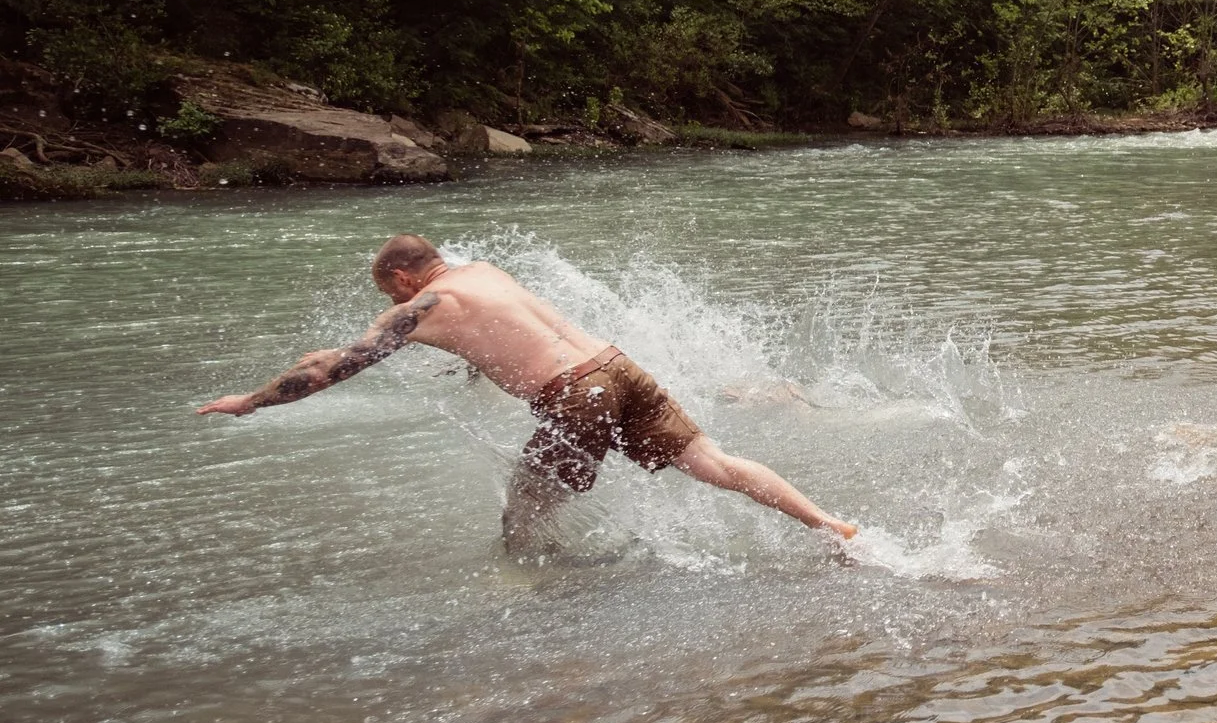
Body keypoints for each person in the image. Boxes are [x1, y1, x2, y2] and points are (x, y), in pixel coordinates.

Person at [197, 234, 859, 555]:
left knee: (520, 517)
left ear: (401, 276)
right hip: (618, 366)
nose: (392, 303)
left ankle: (525, 603)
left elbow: (331, 365)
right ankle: (833, 526)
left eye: (387, 291)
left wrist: (250, 401)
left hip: (577, 394)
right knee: (716, 464)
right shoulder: (482, 270)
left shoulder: (427, 301)